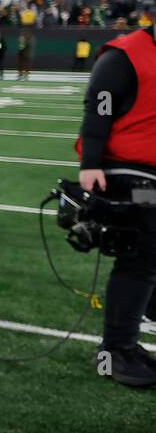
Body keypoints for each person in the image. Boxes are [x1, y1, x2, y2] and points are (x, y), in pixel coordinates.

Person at [76, 23, 156, 387]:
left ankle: (128, 343)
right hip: (133, 174)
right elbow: (97, 110)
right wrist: (90, 164)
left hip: (149, 172)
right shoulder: (125, 54)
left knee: (148, 258)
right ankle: (116, 349)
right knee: (140, 257)